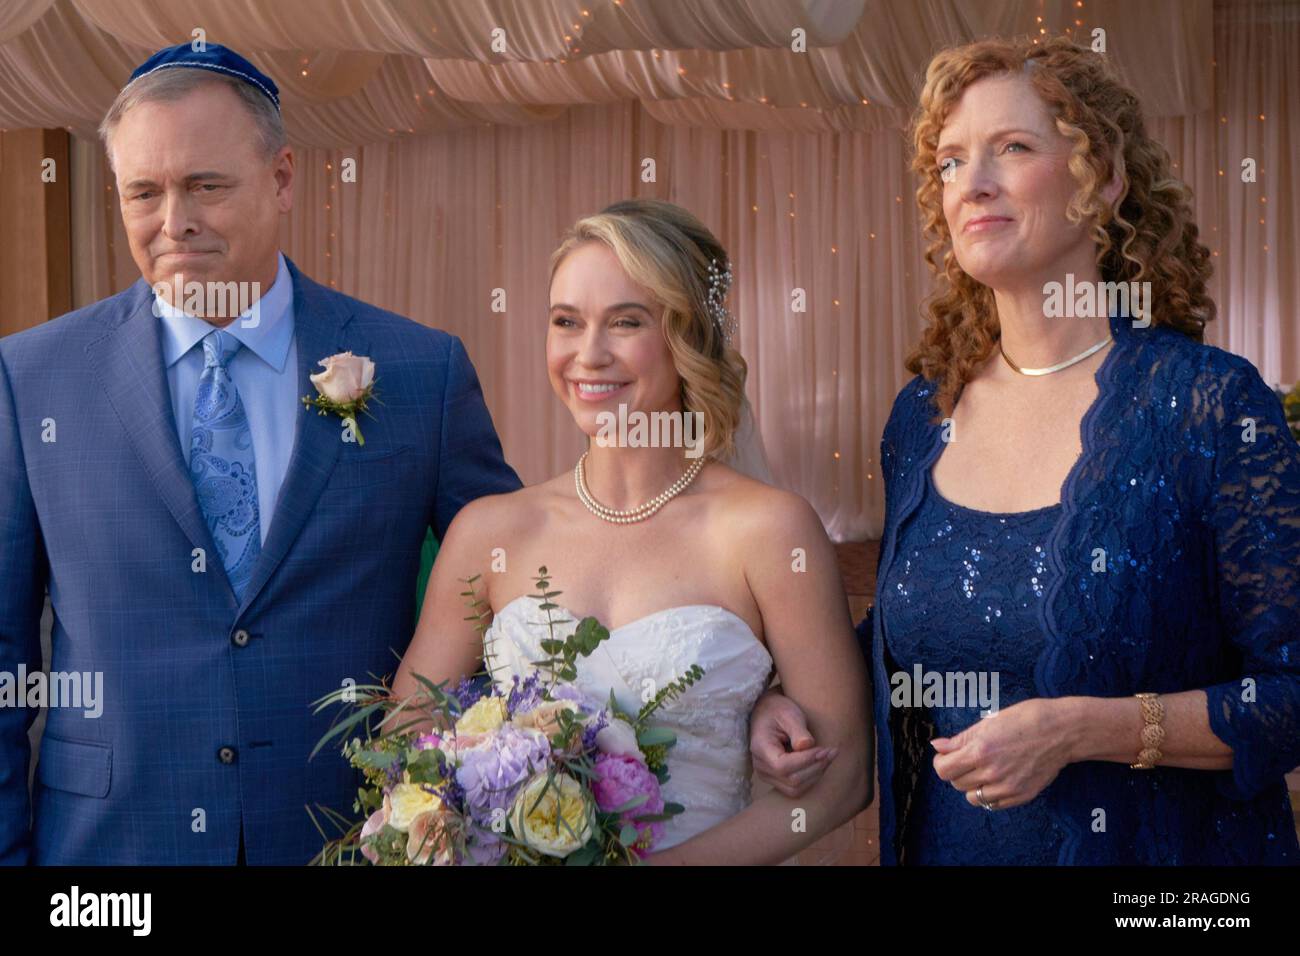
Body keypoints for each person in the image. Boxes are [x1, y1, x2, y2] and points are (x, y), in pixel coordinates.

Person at [749, 36, 1300, 865]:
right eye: (950, 161)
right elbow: (921, 644)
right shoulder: (920, 417)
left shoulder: (1208, 405)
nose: (972, 184)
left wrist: (1088, 728)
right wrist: (783, 704)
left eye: (1012, 148)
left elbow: (1288, 695)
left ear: (1104, 179)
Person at [0, 43, 521, 865]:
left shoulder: (423, 370)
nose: (174, 221)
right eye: (144, 192)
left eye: (205, 184)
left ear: (282, 179)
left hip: (356, 838)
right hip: (110, 858)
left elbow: (513, 604)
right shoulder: (32, 377)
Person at [394, 199, 872, 863]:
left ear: (687, 338)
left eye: (626, 322)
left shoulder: (768, 530)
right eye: (567, 322)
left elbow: (842, 780)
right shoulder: (488, 533)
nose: (588, 354)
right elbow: (407, 740)